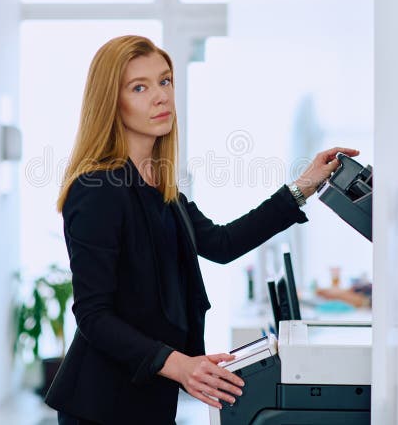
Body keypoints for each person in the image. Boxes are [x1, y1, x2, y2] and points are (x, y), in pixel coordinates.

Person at [44, 35, 359, 425]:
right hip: (102, 405)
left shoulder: (160, 186)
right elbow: (94, 315)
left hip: (148, 399)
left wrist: (303, 186)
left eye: (165, 81)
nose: (160, 96)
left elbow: (221, 242)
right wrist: (178, 365)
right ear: (111, 101)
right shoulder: (97, 189)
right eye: (139, 87)